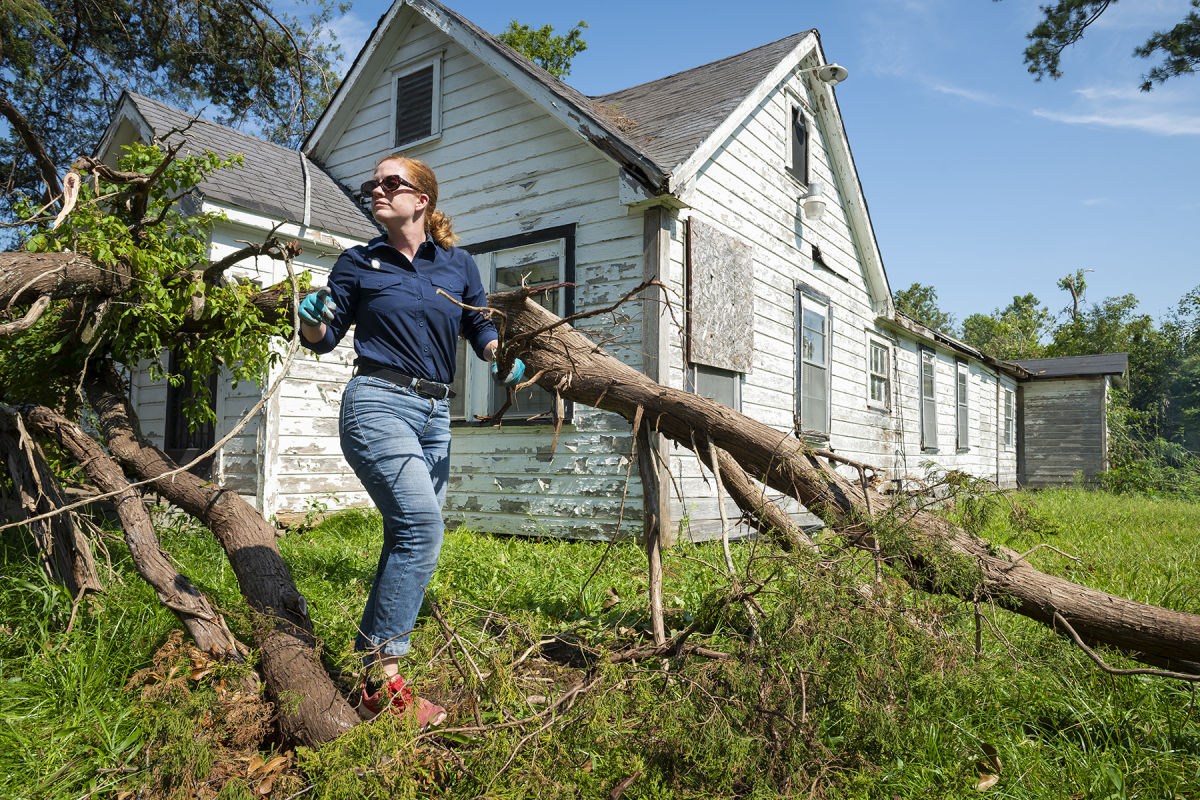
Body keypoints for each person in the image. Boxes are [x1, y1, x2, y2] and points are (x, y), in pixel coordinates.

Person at [297, 154, 524, 725]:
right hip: (377, 402)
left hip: (435, 415)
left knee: (411, 534)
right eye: (373, 183)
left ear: (421, 199)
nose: (377, 189)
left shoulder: (458, 264)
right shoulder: (358, 262)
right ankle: (384, 677)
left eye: (390, 182)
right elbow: (324, 338)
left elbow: (480, 328)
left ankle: (376, 671)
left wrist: (504, 359)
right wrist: (309, 317)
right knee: (423, 526)